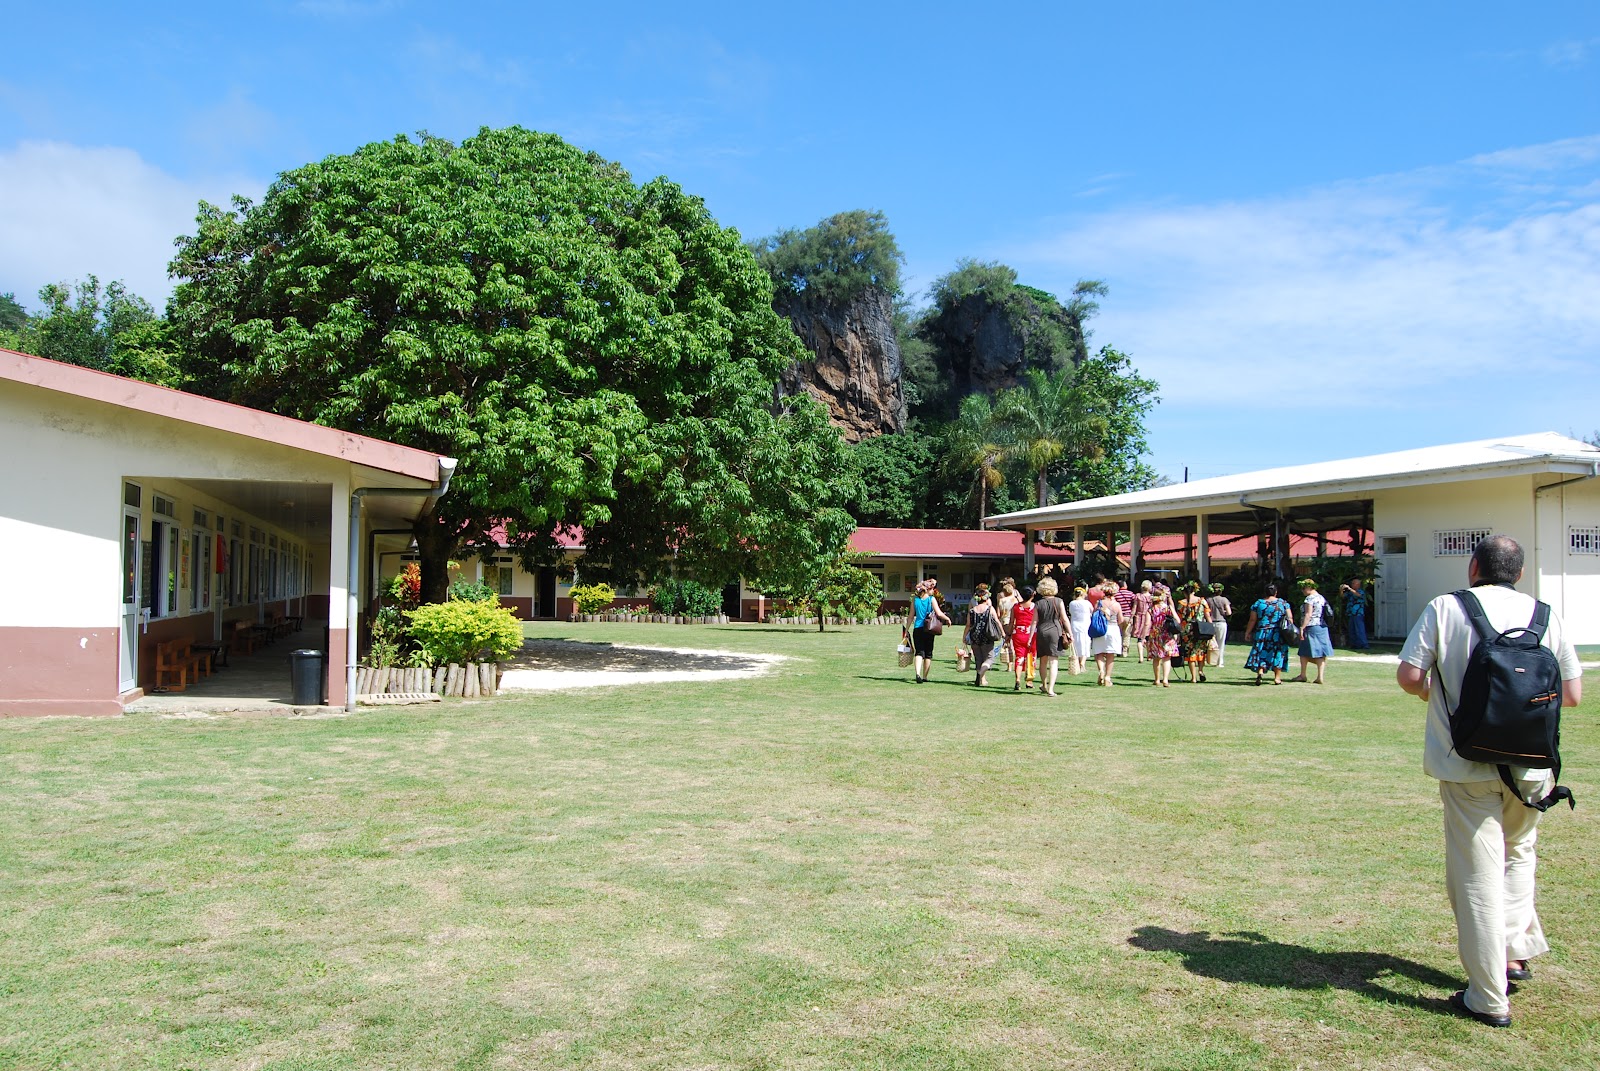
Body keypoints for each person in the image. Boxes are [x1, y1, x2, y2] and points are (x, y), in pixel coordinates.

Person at [1395, 535, 1583, 1028]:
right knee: (1520, 851)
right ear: (1519, 572)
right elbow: (1573, 693)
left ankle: (1488, 995)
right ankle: (1514, 953)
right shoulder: (1544, 613)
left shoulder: (1446, 607)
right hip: (1532, 766)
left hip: (1465, 761)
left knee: (1476, 872)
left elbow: (1411, 676)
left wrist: (1437, 695)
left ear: (1473, 566)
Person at [1243, 583, 1292, 685]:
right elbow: (1290, 617)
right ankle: (1277, 678)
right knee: (1278, 652)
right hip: (1277, 632)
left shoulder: (1258, 603)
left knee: (1261, 651)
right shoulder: (1283, 603)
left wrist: (1248, 632)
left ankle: (1260, 672)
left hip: (1262, 631)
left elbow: (1252, 620)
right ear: (1276, 592)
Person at [1291, 578, 1333, 684]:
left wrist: (1302, 627)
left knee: (1304, 651)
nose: (1302, 591)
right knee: (1321, 653)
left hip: (1311, 626)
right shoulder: (1321, 598)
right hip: (1322, 626)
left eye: (1303, 588)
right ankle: (1320, 676)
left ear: (1309, 587)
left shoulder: (1309, 599)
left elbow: (1308, 614)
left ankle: (1303, 674)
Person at [909, 580, 951, 684]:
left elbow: (910, 617)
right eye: (932, 589)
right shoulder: (931, 599)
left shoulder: (915, 600)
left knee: (919, 652)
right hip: (929, 629)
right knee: (928, 653)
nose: (933, 590)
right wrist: (947, 619)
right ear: (927, 590)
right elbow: (939, 613)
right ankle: (925, 677)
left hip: (917, 628)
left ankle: (917, 673)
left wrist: (906, 629)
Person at [1033, 577, 1068, 696]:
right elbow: (1064, 619)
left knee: (1043, 660)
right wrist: (1070, 633)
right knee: (1053, 661)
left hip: (1042, 631)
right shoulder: (1059, 601)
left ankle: (1044, 684)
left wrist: (1030, 636)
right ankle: (1051, 689)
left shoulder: (1037, 603)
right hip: (1055, 631)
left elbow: (1034, 622)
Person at [963, 584, 1002, 687]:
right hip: (987, 635)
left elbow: (968, 625)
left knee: (978, 658)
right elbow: (997, 621)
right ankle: (982, 672)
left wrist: (964, 637)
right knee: (989, 658)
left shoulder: (972, 611)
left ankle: (979, 679)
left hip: (974, 636)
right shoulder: (990, 609)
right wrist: (1002, 632)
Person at [1144, 585, 1180, 687]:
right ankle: (1165, 679)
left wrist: (1144, 637)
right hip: (1167, 634)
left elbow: (1147, 623)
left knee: (1156, 658)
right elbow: (1178, 620)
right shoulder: (1168, 608)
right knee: (1167, 658)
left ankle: (1157, 680)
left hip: (1155, 634)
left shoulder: (1151, 610)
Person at [1091, 581, 1125, 686]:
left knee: (1099, 652)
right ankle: (1107, 677)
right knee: (1110, 654)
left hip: (1100, 629)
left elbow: (1093, 615)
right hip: (1113, 629)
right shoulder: (1116, 605)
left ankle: (1101, 670)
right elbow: (1121, 620)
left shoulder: (1099, 603)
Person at [1177, 580, 1210, 683]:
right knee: (1200, 651)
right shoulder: (1202, 601)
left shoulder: (1181, 603)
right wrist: (1211, 628)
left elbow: (1179, 618)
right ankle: (1200, 671)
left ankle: (1194, 678)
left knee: (1190, 654)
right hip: (1201, 629)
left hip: (1187, 631)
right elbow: (1207, 616)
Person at [1011, 587, 1037, 691]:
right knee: (1031, 657)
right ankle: (1029, 681)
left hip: (1018, 633)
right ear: (1032, 595)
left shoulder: (1016, 607)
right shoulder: (1035, 607)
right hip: (1031, 634)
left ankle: (1017, 680)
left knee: (1019, 657)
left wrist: (1008, 633)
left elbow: (1012, 621)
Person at [1067, 584, 1094, 676]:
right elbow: (1092, 611)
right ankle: (1082, 663)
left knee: (1077, 643)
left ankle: (1078, 662)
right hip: (1085, 624)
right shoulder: (1087, 603)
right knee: (1085, 643)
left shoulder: (1072, 603)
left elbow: (1071, 612)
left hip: (1075, 624)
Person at [1206, 582, 1233, 667]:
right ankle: (1219, 662)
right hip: (1221, 622)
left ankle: (1210, 660)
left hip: (1210, 623)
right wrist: (1223, 612)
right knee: (1220, 643)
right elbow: (1229, 612)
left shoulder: (1208, 600)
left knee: (1210, 643)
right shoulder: (1224, 600)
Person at [1340, 576, 1370, 649]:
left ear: (1358, 584)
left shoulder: (1360, 591)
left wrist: (1350, 589)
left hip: (1358, 613)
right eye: (1352, 583)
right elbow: (1343, 597)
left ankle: (1364, 644)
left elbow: (1358, 595)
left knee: (1360, 629)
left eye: (1354, 583)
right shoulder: (1350, 593)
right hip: (1351, 613)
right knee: (1352, 629)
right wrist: (1341, 590)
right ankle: (1354, 644)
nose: (1352, 585)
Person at [996, 578, 1020, 670]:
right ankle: (1016, 662)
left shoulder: (1002, 600)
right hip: (1015, 622)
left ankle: (1009, 665)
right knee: (1015, 643)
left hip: (1005, 621)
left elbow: (999, 613)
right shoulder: (1016, 601)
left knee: (1007, 642)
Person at [1130, 579, 1154, 663]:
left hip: (1139, 618)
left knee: (1140, 638)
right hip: (1149, 617)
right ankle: (1149, 655)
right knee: (1148, 637)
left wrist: (1131, 617)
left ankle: (1141, 657)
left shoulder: (1138, 596)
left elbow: (1134, 607)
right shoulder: (1151, 597)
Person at [1113, 580, 1138, 658]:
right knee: (1126, 634)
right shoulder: (1131, 594)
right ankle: (1125, 651)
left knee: (1118, 634)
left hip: (1118, 617)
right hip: (1128, 616)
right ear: (1125, 585)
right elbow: (1135, 603)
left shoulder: (1116, 595)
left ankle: (1118, 650)